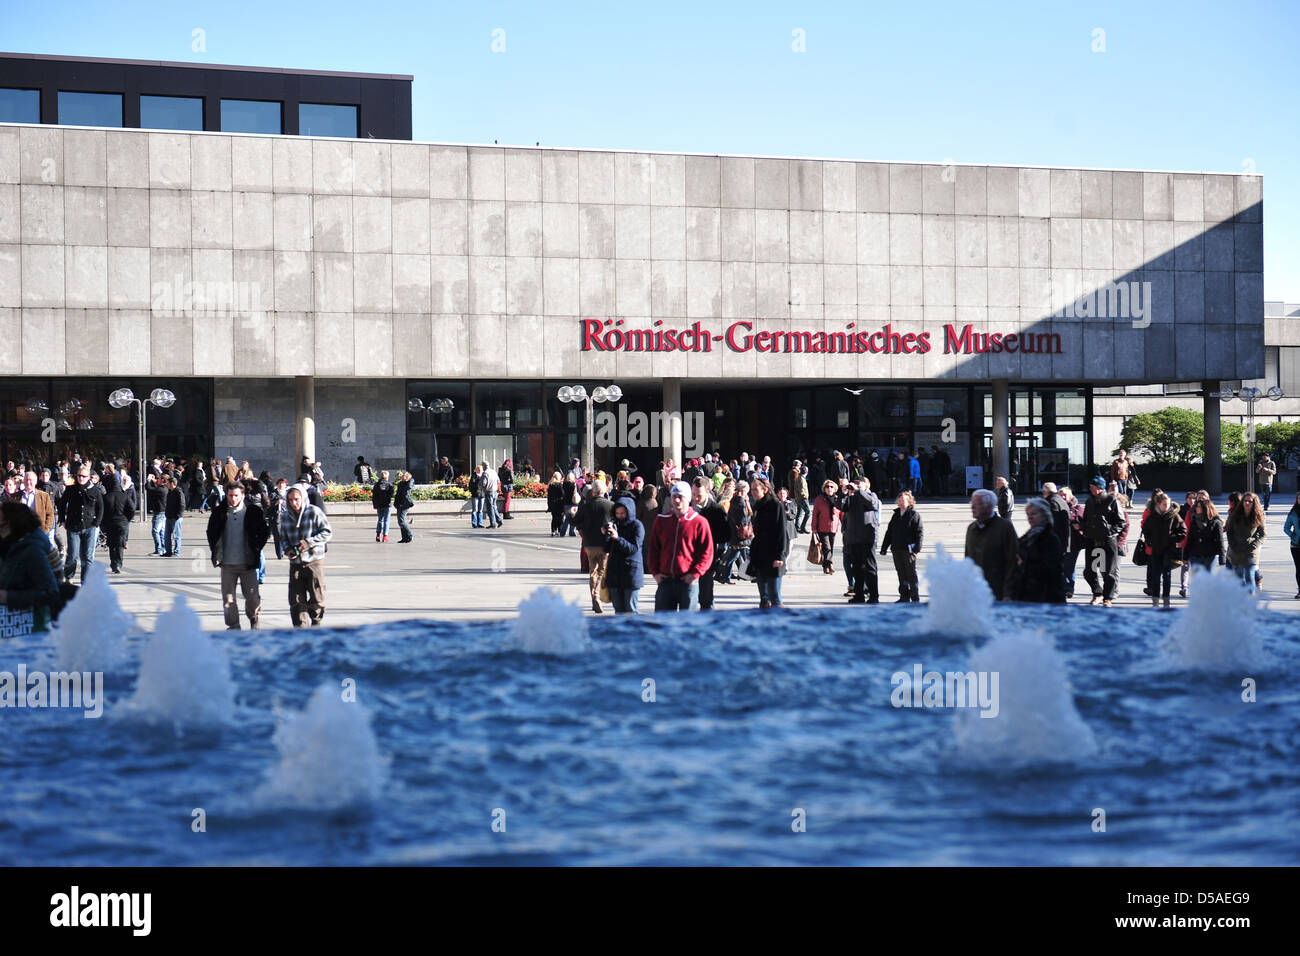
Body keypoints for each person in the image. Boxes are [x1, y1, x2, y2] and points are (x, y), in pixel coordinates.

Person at [206, 481, 269, 629]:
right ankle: (233, 626)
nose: (233, 498)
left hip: (248, 563)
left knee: (253, 597)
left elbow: (264, 533)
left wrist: (257, 548)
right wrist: (216, 551)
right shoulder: (219, 512)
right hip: (227, 564)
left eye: (236, 495)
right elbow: (211, 533)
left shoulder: (253, 511)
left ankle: (254, 618)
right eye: (230, 495)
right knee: (228, 600)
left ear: (242, 495)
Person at [646, 482, 713, 612]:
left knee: (687, 626)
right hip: (665, 581)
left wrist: (695, 574)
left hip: (687, 581)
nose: (676, 500)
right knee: (662, 624)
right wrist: (655, 573)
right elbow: (653, 549)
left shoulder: (699, 522)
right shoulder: (661, 520)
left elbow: (707, 552)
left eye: (680, 497)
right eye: (674, 496)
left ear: (688, 498)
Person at [0, 501, 62, 634]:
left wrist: (7, 597)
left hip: (28, 630)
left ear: (10, 525)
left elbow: (51, 592)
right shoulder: (13, 544)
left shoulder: (32, 550)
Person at [278, 483, 333, 627]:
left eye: (296, 499)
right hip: (295, 564)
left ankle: (316, 622)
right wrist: (288, 549)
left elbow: (327, 532)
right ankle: (301, 629)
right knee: (296, 600)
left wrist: (308, 543)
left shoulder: (314, 512)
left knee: (317, 598)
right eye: (290, 500)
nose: (293, 503)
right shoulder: (285, 516)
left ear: (303, 497)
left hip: (314, 561)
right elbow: (282, 538)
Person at [1005, 497, 1066, 603]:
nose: (1030, 517)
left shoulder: (1050, 538)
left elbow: (1050, 568)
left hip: (1046, 595)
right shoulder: (1028, 536)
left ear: (1044, 515)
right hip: (1026, 594)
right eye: (1028, 514)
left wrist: (1023, 562)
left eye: (1034, 514)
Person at [964, 488, 1017, 600]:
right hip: (976, 590)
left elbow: (1012, 561)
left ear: (989, 506)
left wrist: (1008, 592)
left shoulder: (1004, 527)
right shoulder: (972, 528)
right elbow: (967, 560)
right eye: (972, 503)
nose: (972, 507)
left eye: (977, 504)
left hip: (997, 590)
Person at [1081, 476, 1125, 606]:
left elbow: (1121, 522)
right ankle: (1097, 593)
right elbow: (1086, 519)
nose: (1090, 488)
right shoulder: (1089, 501)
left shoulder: (1111, 500)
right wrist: (1083, 527)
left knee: (1108, 572)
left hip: (1107, 541)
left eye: (1092, 486)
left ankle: (1108, 598)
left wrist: (1109, 531)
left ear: (1099, 487)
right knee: (1090, 571)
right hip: (1092, 540)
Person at [749, 478, 791, 609]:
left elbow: (781, 533)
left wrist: (780, 556)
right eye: (752, 490)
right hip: (760, 555)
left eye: (756, 489)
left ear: (765, 490)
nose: (753, 492)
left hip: (773, 555)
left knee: (775, 597)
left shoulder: (775, 505)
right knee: (764, 597)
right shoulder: (757, 506)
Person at [1140, 491, 1186, 609]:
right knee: (1156, 576)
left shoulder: (1174, 516)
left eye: (1168, 504)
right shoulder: (1153, 516)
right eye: (1164, 504)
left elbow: (1183, 531)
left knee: (1167, 576)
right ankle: (1155, 601)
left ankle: (1166, 600)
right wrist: (1149, 540)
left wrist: (1172, 539)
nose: (1167, 507)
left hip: (1168, 550)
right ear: (1159, 504)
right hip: (1156, 550)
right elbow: (1145, 529)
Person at [59, 464, 102, 584]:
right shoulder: (71, 489)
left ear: (89, 477)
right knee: (73, 555)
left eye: (84, 476)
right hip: (73, 526)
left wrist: (96, 522)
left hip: (90, 526)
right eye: (79, 476)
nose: (81, 478)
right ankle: (69, 576)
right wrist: (62, 519)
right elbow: (62, 505)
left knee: (87, 557)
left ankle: (86, 581)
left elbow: (101, 507)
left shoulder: (95, 490)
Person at [576, 479, 614, 614]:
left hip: (590, 543)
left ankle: (594, 596)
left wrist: (571, 516)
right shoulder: (610, 505)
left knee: (592, 571)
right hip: (604, 543)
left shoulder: (586, 506)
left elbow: (576, 520)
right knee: (602, 571)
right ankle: (597, 595)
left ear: (593, 491)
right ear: (604, 491)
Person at [840, 478, 881, 604]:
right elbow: (841, 506)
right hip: (854, 538)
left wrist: (858, 491)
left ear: (866, 485)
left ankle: (874, 596)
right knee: (857, 568)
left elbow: (872, 504)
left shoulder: (871, 495)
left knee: (870, 567)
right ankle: (859, 595)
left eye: (859, 484)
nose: (855, 486)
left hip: (867, 538)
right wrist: (845, 493)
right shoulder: (851, 498)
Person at [691, 477, 729, 611]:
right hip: (688, 557)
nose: (695, 498)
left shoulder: (716, 510)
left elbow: (725, 535)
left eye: (698, 495)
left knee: (706, 595)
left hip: (707, 557)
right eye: (693, 494)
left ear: (708, 491)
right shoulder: (687, 508)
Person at [601, 496, 644, 614]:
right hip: (615, 574)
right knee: (618, 610)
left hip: (631, 574)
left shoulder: (637, 526)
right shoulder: (615, 525)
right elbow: (606, 549)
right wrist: (606, 535)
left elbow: (633, 548)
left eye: (623, 513)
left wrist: (617, 538)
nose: (620, 516)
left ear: (629, 512)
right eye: (617, 513)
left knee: (630, 610)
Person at [880, 491, 923, 602]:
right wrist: (884, 548)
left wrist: (916, 549)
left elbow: (919, 533)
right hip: (896, 548)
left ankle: (915, 597)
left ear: (909, 502)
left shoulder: (914, 515)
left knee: (911, 574)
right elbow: (889, 532)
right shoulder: (895, 515)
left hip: (908, 550)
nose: (901, 503)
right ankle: (904, 596)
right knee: (901, 573)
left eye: (904, 501)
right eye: (900, 501)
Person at [1225, 492, 1266, 594]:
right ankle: (1241, 603)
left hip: (1250, 552)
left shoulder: (1258, 515)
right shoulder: (1235, 515)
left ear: (1254, 503)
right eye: (1245, 501)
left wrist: (1254, 545)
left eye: (1250, 501)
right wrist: (1233, 544)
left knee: (1249, 575)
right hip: (1236, 551)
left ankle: (1250, 603)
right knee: (1239, 580)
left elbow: (1263, 534)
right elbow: (1229, 531)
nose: (1247, 503)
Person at [1184, 493, 1225, 585]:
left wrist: (1222, 558)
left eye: (1199, 506)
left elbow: (1220, 541)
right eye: (1197, 506)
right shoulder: (1194, 521)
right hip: (1196, 554)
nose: (1196, 508)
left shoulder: (1216, 522)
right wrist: (1185, 556)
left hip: (1210, 555)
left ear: (1205, 508)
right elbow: (1190, 539)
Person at [718, 479, 753, 584]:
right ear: (743, 489)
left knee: (733, 556)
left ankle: (724, 576)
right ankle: (751, 575)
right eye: (746, 490)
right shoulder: (740, 500)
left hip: (735, 531)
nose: (747, 492)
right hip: (740, 533)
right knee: (739, 555)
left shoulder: (734, 499)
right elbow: (744, 517)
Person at [99, 472, 135, 574]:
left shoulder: (106, 497)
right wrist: (127, 519)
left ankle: (113, 563)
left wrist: (103, 523)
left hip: (110, 523)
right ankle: (118, 563)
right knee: (120, 544)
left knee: (111, 544)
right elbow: (132, 509)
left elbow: (102, 511)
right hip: (122, 523)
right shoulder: (124, 496)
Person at [810, 479, 841, 576]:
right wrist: (813, 527)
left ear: (835, 488)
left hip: (833, 527)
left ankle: (825, 566)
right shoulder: (819, 499)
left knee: (829, 548)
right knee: (827, 546)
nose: (829, 488)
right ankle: (830, 564)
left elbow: (841, 513)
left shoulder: (837, 499)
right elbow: (815, 514)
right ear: (824, 488)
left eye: (831, 487)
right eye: (827, 487)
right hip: (822, 527)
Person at [1282, 491, 1300, 599]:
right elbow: (1286, 528)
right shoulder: (1293, 513)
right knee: (1299, 569)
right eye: (1299, 498)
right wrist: (1293, 535)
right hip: (1296, 545)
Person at [163, 474, 186, 557]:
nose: (166, 484)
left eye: (168, 483)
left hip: (175, 517)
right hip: (169, 516)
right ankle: (168, 551)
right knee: (167, 535)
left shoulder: (178, 492)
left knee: (176, 535)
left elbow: (182, 504)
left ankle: (176, 551)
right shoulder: (170, 492)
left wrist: (178, 515)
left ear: (172, 483)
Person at [787, 459, 810, 534]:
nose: (800, 467)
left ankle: (797, 526)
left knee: (799, 511)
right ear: (797, 465)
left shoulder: (793, 472)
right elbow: (797, 485)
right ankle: (796, 527)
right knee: (797, 511)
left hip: (795, 494)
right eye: (799, 465)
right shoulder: (795, 472)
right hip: (795, 495)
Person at [371, 470, 394, 542]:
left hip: (379, 505)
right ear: (387, 476)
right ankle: (385, 536)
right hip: (387, 504)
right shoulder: (389, 485)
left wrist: (375, 505)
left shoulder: (377, 484)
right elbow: (392, 494)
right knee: (387, 520)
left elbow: (374, 495)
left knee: (380, 520)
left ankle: (378, 535)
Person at [394, 471, 415, 543]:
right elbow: (398, 494)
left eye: (404, 476)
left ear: (407, 477)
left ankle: (410, 535)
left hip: (405, 504)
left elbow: (407, 492)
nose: (402, 477)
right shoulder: (401, 483)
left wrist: (410, 503)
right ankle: (404, 537)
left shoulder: (409, 483)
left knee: (401, 521)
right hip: (399, 503)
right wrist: (395, 503)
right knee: (400, 521)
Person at [480, 462, 502, 529]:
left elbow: (483, 483)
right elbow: (498, 480)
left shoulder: (485, 473)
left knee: (490, 509)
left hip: (489, 492)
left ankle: (493, 523)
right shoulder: (493, 471)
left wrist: (482, 488)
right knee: (494, 507)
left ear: (483, 466)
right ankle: (499, 520)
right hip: (495, 491)